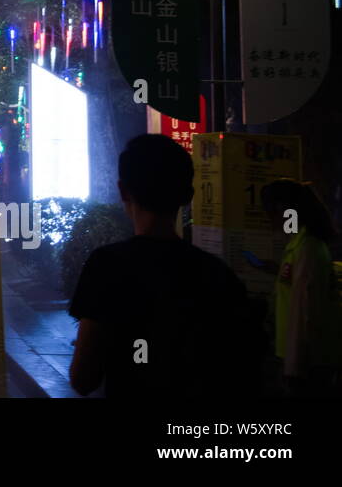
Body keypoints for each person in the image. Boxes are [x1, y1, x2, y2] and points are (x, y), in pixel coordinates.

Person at [68, 134, 265, 398]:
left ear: (123, 190)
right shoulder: (218, 275)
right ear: (188, 195)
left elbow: (83, 378)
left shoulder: (107, 266)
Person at [258, 180, 341, 396]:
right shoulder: (299, 245)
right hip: (300, 356)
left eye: (269, 212)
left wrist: (293, 368)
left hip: (305, 361)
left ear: (283, 210)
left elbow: (305, 312)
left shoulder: (307, 248)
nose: (269, 220)